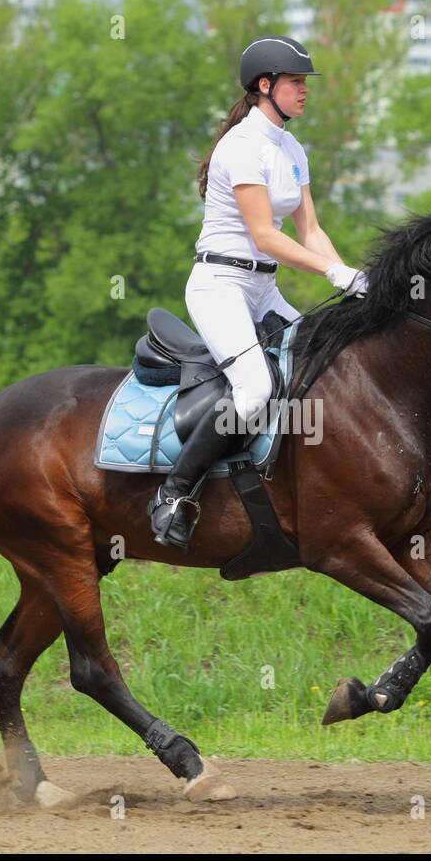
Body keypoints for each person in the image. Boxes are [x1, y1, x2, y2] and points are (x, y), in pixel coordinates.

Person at [148, 34, 369, 550]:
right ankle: (175, 493)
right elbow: (266, 235)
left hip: (262, 287)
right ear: (265, 86)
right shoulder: (241, 147)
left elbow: (309, 229)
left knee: (321, 364)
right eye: (295, 82)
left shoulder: (291, 148)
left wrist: (349, 272)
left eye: (304, 83)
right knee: (253, 390)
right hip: (220, 285)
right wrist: (332, 276)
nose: (304, 90)